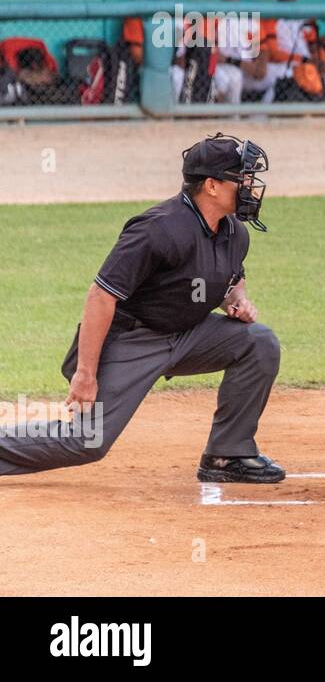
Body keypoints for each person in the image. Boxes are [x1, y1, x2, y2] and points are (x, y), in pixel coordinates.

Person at [0, 135, 285, 484]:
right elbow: (101, 296)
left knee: (258, 342)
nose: (249, 186)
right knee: (87, 440)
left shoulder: (234, 233)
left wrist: (237, 300)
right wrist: (86, 373)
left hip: (190, 334)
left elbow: (231, 279)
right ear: (211, 185)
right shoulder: (158, 228)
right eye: (240, 178)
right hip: (133, 339)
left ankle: (227, 455)